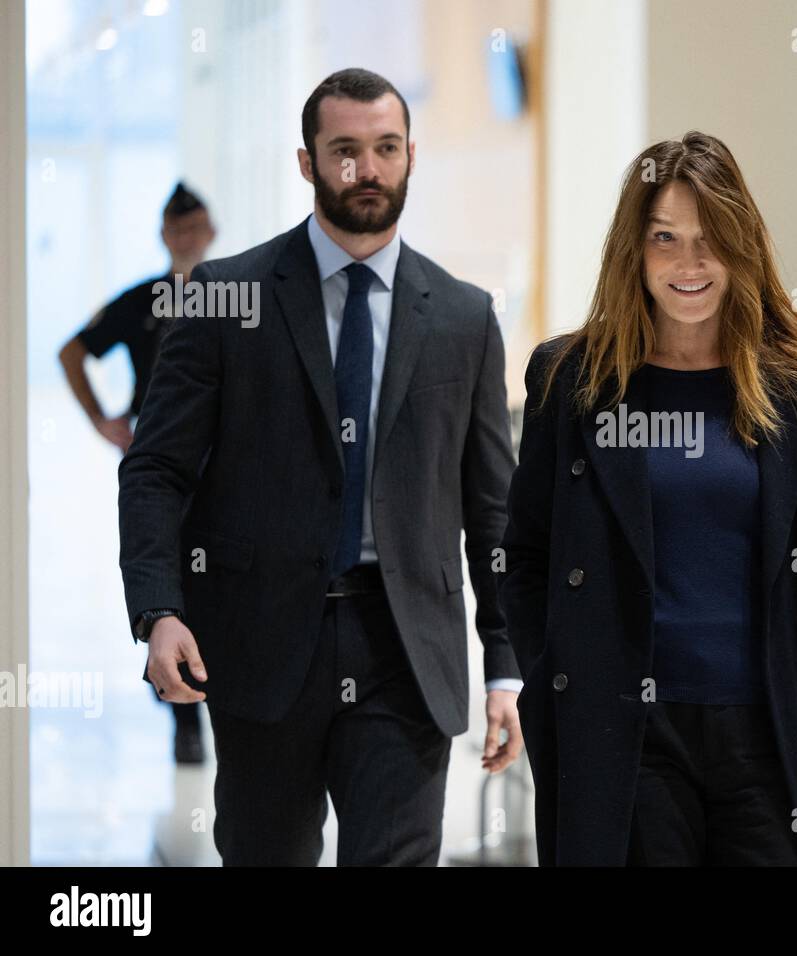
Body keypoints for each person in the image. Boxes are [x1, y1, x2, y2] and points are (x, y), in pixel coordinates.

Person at [117, 68, 523, 865]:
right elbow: (156, 468)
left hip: (405, 653)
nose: (366, 170)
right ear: (307, 163)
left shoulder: (466, 318)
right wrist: (158, 610)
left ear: (411, 156)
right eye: (345, 151)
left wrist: (505, 665)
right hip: (261, 647)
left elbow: (494, 511)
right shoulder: (225, 297)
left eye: (385, 148)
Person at [500, 131, 797, 867]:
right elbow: (528, 557)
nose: (688, 264)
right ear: (632, 251)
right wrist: (562, 684)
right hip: (629, 738)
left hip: (776, 730)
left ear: (743, 246)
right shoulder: (570, 381)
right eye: (664, 238)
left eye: (710, 239)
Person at [59, 182, 215, 765]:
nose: (186, 239)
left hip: (224, 468)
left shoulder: (242, 296)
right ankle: (184, 711)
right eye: (177, 230)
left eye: (195, 228)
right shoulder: (144, 300)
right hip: (160, 468)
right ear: (162, 235)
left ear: (212, 231)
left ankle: (209, 695)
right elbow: (71, 351)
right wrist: (102, 419)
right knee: (165, 582)